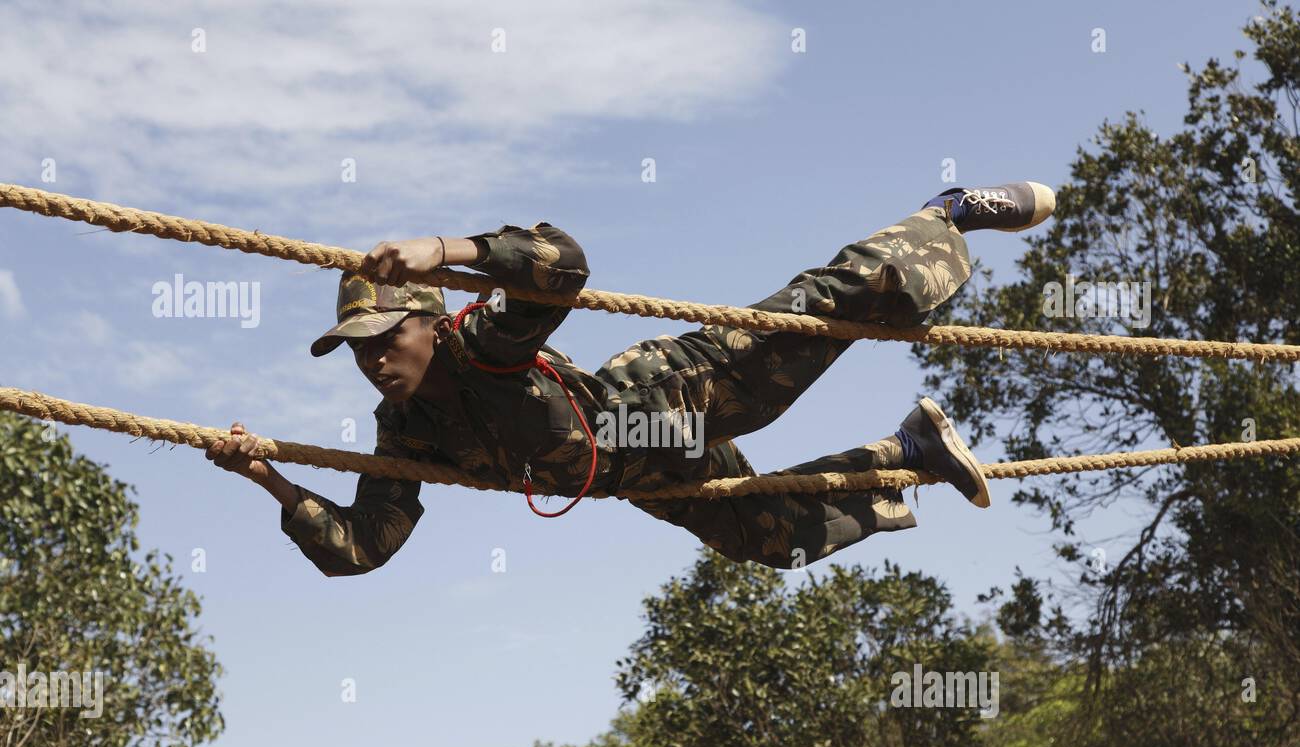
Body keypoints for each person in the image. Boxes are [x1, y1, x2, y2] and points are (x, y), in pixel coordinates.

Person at [207, 183, 1055, 574]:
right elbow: (363, 548)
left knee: (818, 312)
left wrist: (446, 249)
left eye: (383, 335)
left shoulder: (484, 344)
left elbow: (564, 267)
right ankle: (907, 448)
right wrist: (270, 480)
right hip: (647, 472)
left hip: (664, 398)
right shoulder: (409, 436)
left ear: (430, 319)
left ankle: (941, 219)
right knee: (772, 541)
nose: (371, 358)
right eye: (356, 348)